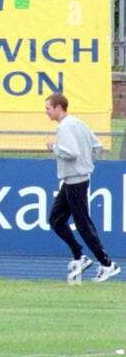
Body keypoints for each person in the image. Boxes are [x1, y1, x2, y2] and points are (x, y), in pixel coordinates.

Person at [44, 93, 119, 283]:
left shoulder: (64, 128)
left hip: (75, 180)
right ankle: (79, 256)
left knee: (82, 223)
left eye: (48, 108)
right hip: (73, 180)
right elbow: (97, 146)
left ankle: (107, 264)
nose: (46, 112)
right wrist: (87, 165)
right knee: (56, 219)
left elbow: (71, 152)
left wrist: (53, 148)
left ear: (58, 107)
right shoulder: (78, 123)